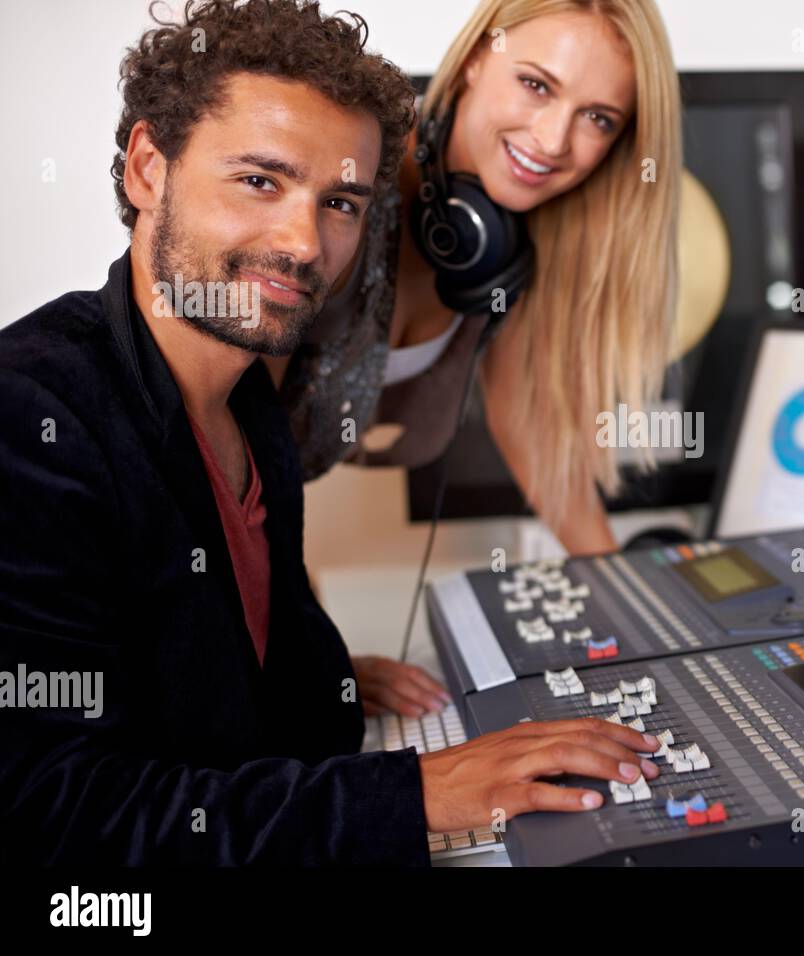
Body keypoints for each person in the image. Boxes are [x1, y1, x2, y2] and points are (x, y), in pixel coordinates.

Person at [0, 0, 661, 866]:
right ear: (148, 168)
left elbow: (259, 721)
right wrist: (421, 794)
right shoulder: (33, 418)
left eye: (342, 202)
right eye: (261, 181)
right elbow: (54, 815)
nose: (304, 242)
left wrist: (326, 675)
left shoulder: (254, 418)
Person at [272, 0, 682, 719]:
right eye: (536, 84)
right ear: (470, 66)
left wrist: (647, 622)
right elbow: (237, 457)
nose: (553, 139)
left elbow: (532, 428)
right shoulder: (345, 185)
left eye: (599, 118)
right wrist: (313, 655)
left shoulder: (506, 244)